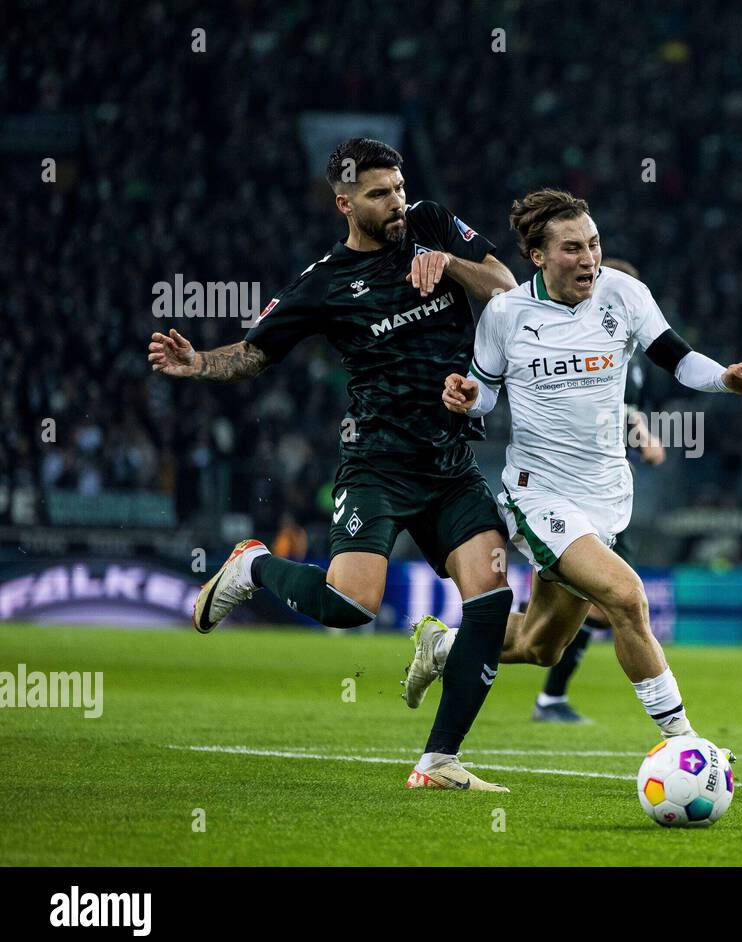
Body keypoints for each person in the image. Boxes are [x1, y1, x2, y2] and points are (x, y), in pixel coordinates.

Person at [147, 138, 518, 790]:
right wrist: (198, 364)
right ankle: (252, 566)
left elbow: (506, 288)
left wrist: (447, 261)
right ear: (345, 203)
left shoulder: (432, 224)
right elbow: (257, 352)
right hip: (378, 463)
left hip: (452, 463)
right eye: (380, 194)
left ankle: (438, 761)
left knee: (489, 600)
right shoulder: (324, 282)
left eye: (399, 189)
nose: (397, 203)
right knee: (352, 604)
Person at [402, 188, 742, 739]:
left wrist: (724, 378)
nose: (589, 259)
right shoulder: (505, 314)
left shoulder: (622, 294)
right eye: (573, 248)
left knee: (541, 645)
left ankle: (444, 644)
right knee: (626, 596)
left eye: (594, 244)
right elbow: (484, 394)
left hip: (605, 496)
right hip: (538, 492)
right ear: (539, 257)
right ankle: (684, 744)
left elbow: (678, 357)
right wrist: (464, 396)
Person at [532, 257, 665, 724]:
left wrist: (640, 429)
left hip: (608, 493)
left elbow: (626, 406)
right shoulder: (581, 342)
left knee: (561, 626)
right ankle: (551, 699)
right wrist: (640, 433)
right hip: (574, 491)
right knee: (611, 603)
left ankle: (453, 646)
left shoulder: (635, 357)